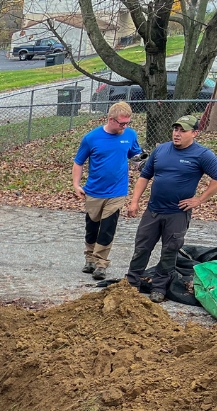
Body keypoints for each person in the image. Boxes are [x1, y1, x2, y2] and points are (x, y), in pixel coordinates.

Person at [125, 114, 217, 303]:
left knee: (169, 251)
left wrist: (199, 199)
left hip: (177, 214)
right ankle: (131, 283)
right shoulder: (161, 150)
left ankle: (159, 287)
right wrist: (134, 201)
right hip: (153, 210)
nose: (177, 134)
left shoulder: (202, 154)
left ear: (195, 133)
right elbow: (145, 176)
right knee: (141, 248)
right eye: (175, 129)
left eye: (183, 130)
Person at [72, 102, 142, 280]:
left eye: (127, 123)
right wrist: (76, 184)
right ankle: (89, 258)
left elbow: (137, 157)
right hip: (94, 191)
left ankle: (101, 263)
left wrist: (149, 164)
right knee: (92, 227)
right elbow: (78, 162)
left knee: (108, 228)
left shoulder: (130, 135)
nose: (124, 126)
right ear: (110, 119)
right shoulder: (92, 138)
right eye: (121, 123)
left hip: (117, 192)